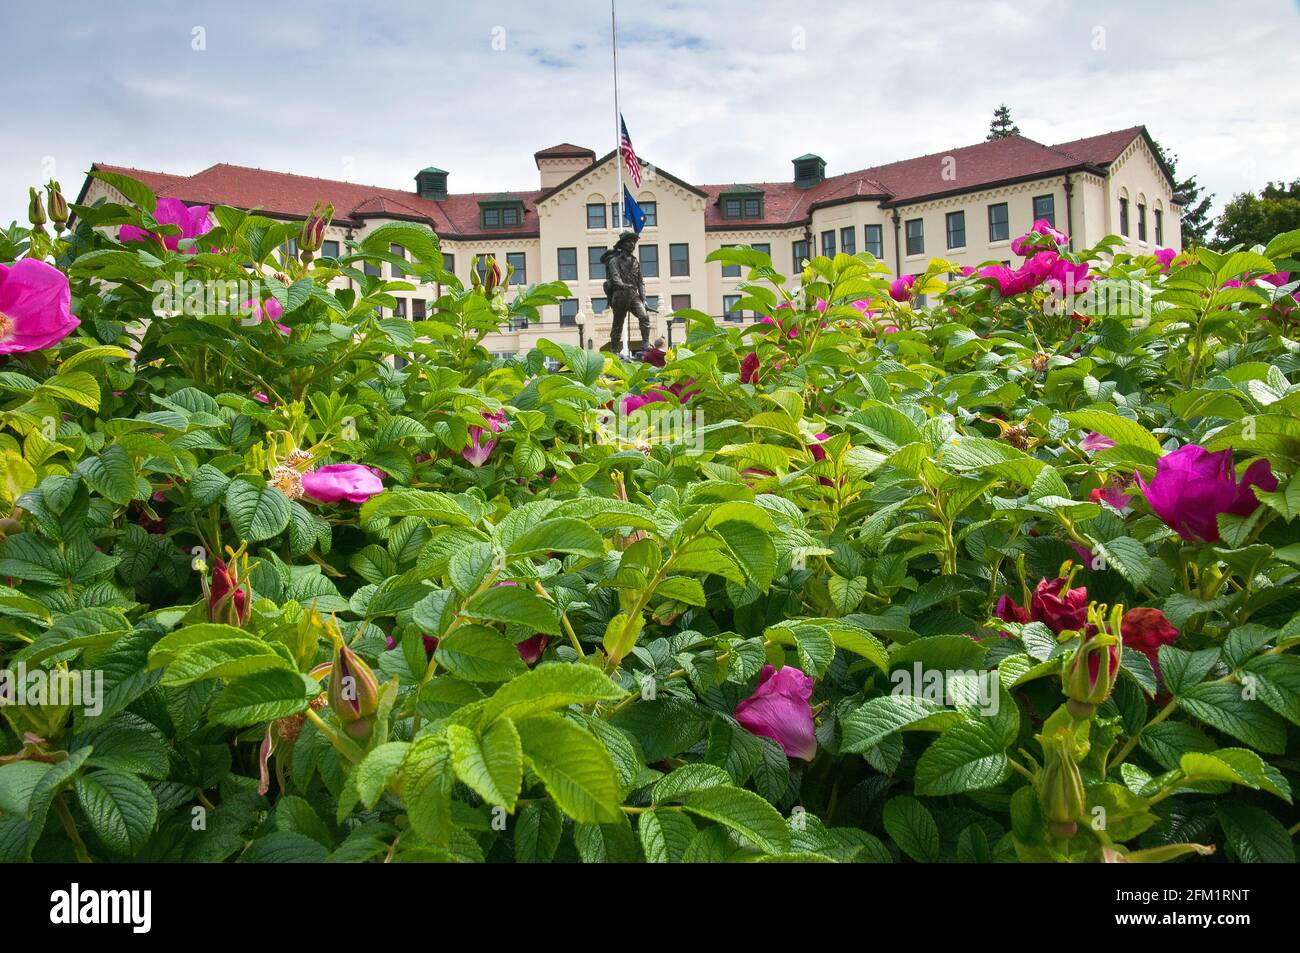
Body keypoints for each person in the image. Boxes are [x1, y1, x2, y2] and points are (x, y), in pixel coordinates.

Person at [601, 231, 650, 354]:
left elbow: (640, 282)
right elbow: (615, 278)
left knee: (644, 316)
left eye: (633, 242)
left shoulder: (635, 262)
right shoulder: (614, 261)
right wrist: (624, 285)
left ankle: (645, 345)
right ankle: (614, 351)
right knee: (618, 325)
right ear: (622, 244)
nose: (632, 244)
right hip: (620, 295)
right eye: (629, 241)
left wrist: (644, 299)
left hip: (633, 295)